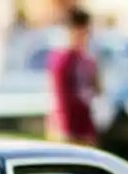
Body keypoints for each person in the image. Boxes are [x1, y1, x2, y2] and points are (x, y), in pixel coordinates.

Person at [47, 7, 99, 146]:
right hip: (67, 131)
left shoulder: (86, 59)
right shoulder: (62, 60)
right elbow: (61, 98)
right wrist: (65, 132)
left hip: (84, 127)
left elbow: (94, 90)